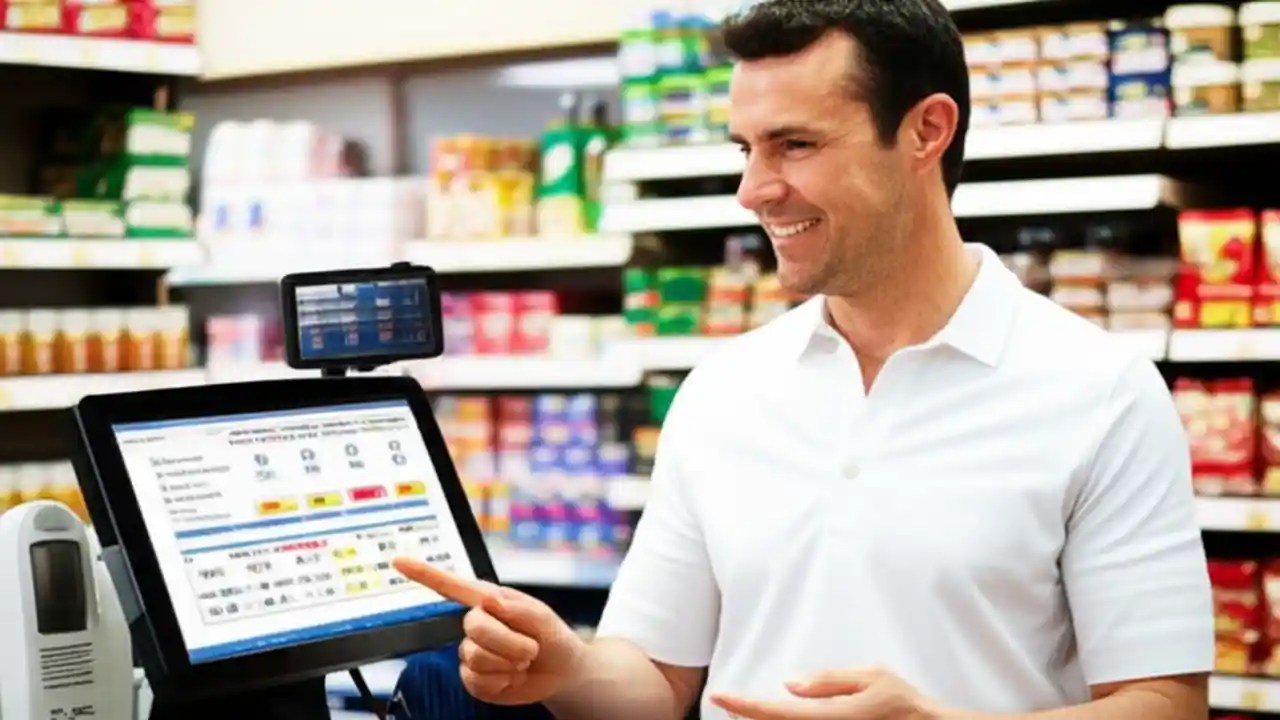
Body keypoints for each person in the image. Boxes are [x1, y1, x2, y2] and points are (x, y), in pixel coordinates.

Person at [396, 1, 1215, 718]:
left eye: (794, 144)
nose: (753, 188)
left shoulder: (1101, 392)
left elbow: (1164, 704)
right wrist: (567, 669)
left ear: (927, 130)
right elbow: (655, 679)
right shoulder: (723, 393)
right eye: (745, 148)